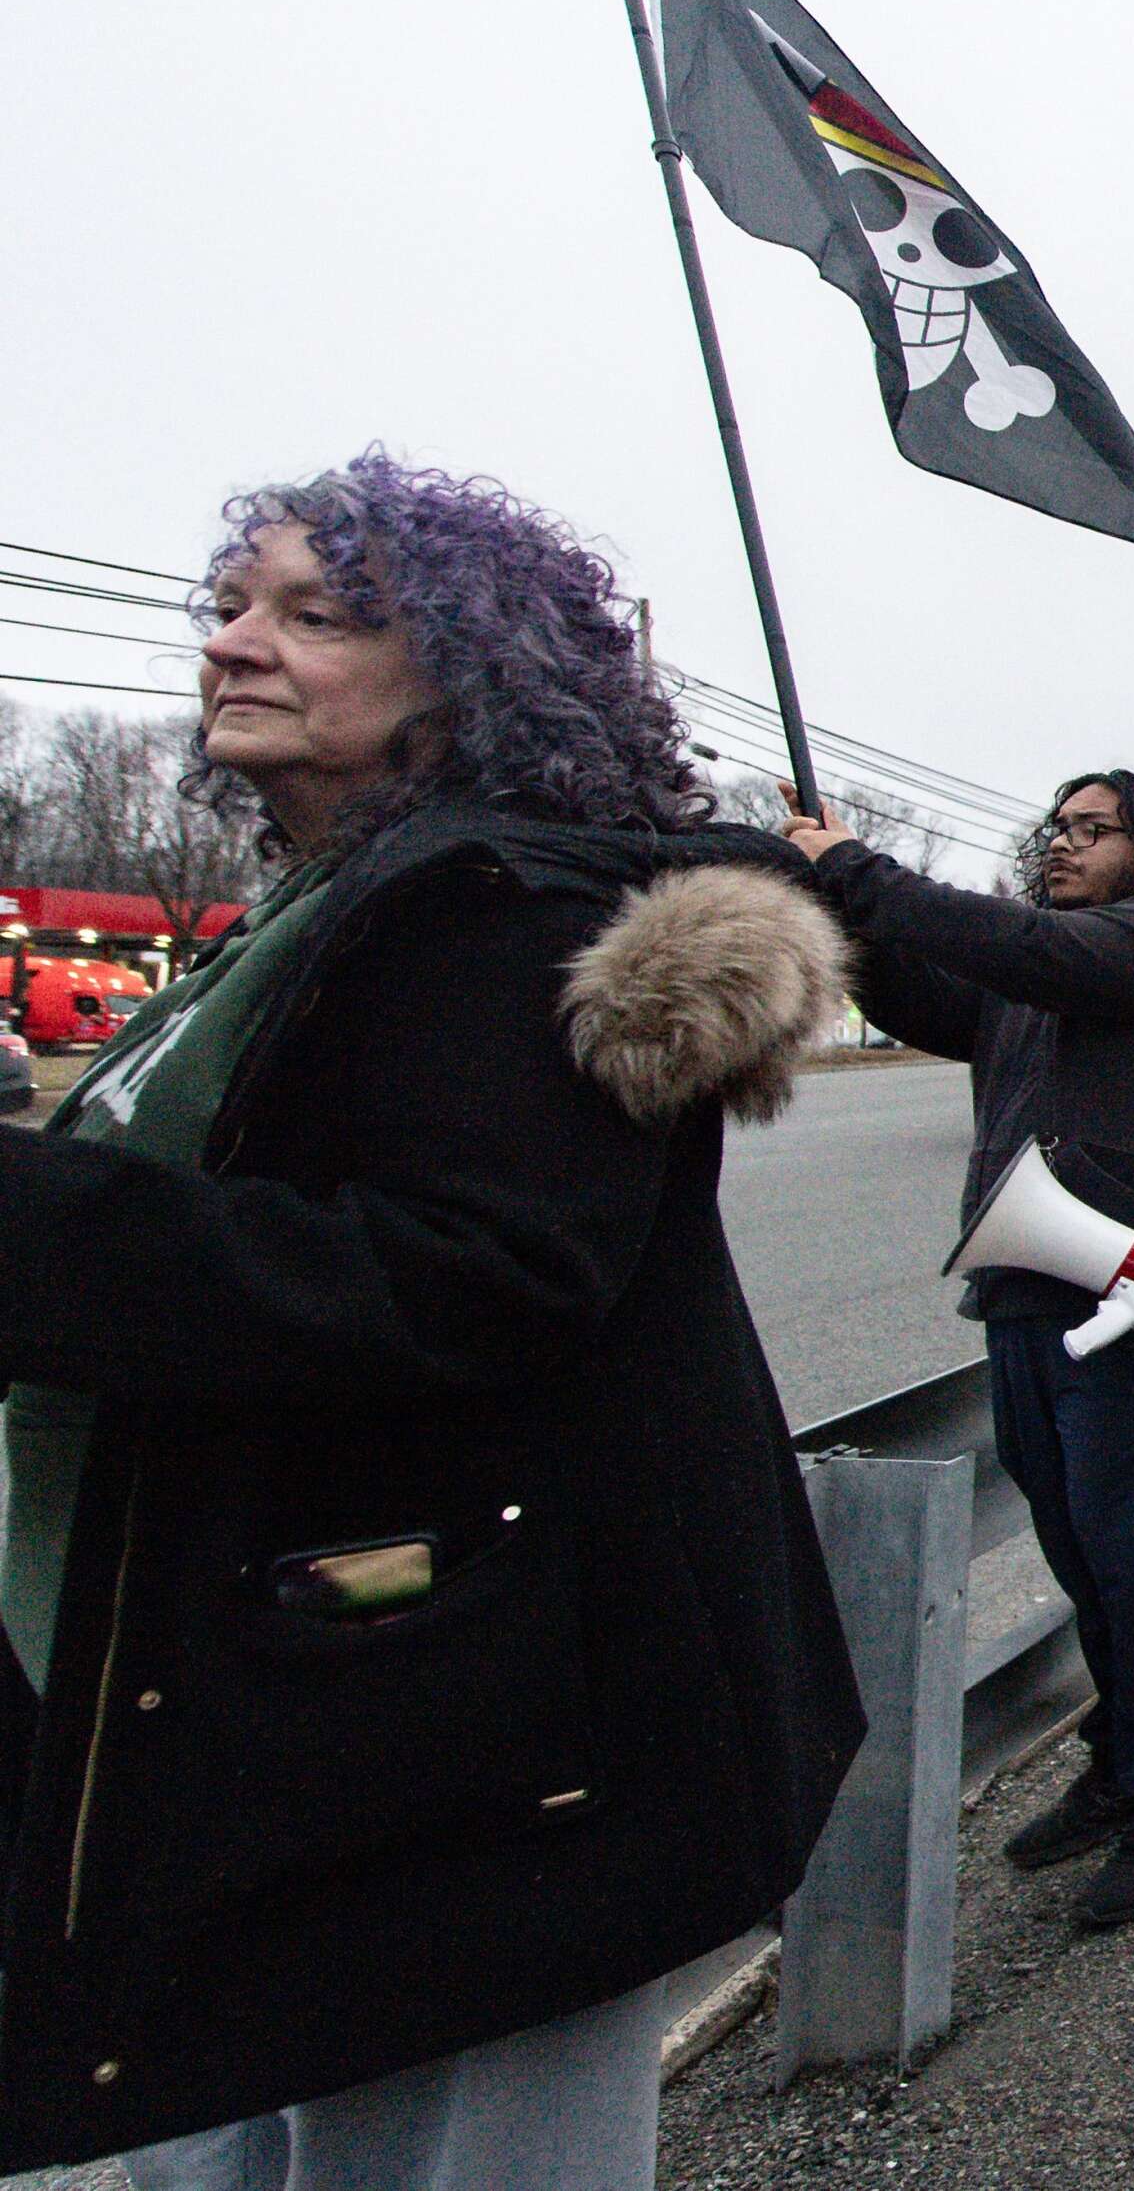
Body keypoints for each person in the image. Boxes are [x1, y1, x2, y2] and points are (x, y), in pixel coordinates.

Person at [0, 454, 863, 2187]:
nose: (239, 643)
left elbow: (472, 1277)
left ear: (468, 677)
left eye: (319, 615)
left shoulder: (501, 914)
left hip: (465, 1735)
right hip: (297, 1703)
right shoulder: (318, 911)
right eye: (235, 604)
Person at [784, 772, 1134, 1931]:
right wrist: (832, 904)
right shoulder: (1039, 981)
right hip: (1033, 1294)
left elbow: (1015, 945)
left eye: (1094, 830)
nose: (1064, 846)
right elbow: (927, 984)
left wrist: (854, 864)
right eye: (1059, 829)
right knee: (1090, 1556)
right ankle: (1129, 1756)